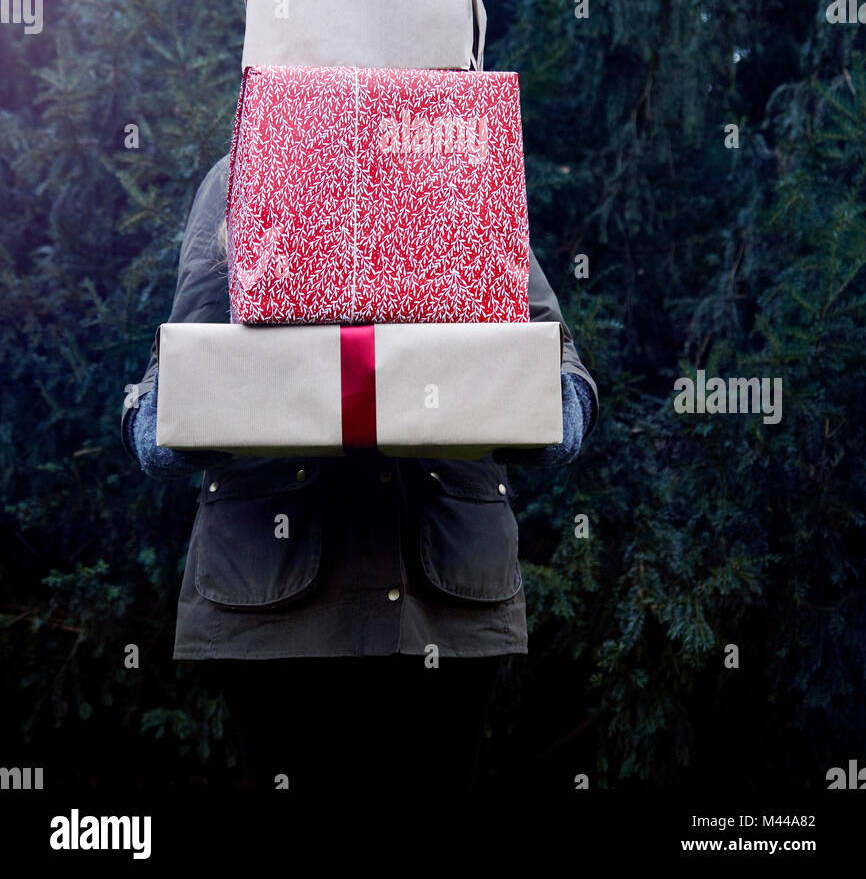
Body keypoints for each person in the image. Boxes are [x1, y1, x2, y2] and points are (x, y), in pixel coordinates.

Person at [122, 153, 598, 800]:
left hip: (443, 592)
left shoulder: (460, 161)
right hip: (277, 594)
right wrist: (168, 417)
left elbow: (553, 361)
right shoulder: (249, 167)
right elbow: (175, 384)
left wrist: (542, 405)